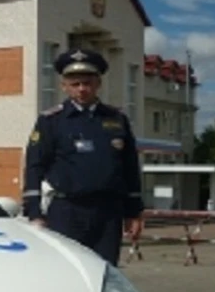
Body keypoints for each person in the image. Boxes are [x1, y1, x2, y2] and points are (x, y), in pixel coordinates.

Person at [22, 48, 144, 266]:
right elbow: (35, 166)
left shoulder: (116, 120)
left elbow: (130, 168)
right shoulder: (51, 121)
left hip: (107, 212)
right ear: (64, 86)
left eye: (87, 83)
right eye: (75, 84)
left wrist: (134, 212)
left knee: (104, 272)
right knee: (66, 272)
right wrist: (34, 212)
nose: (82, 89)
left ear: (98, 84)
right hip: (66, 211)